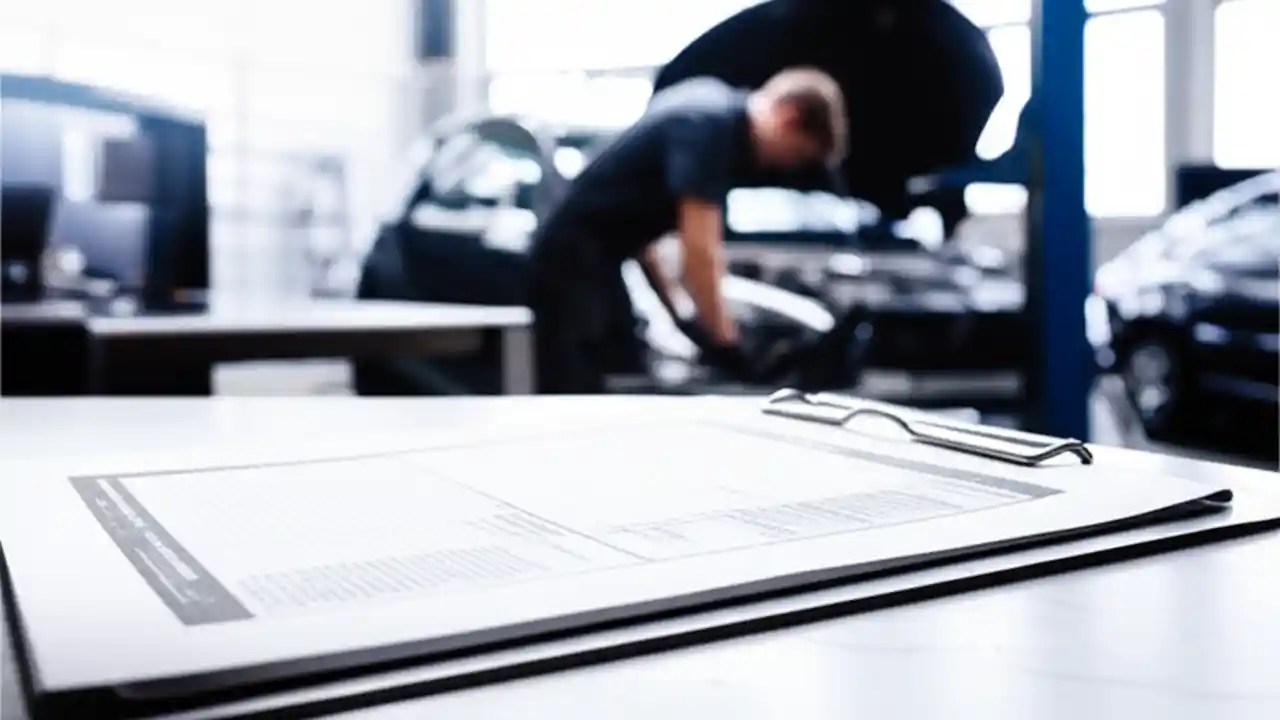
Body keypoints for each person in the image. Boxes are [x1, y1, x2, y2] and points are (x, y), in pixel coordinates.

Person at [528, 67, 849, 394]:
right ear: (788, 117)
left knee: (622, 367)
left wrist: (681, 315)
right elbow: (700, 249)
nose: (784, 167)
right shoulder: (709, 127)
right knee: (582, 389)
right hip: (570, 268)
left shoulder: (706, 98)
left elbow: (638, 231)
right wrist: (727, 346)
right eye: (796, 155)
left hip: (588, 260)